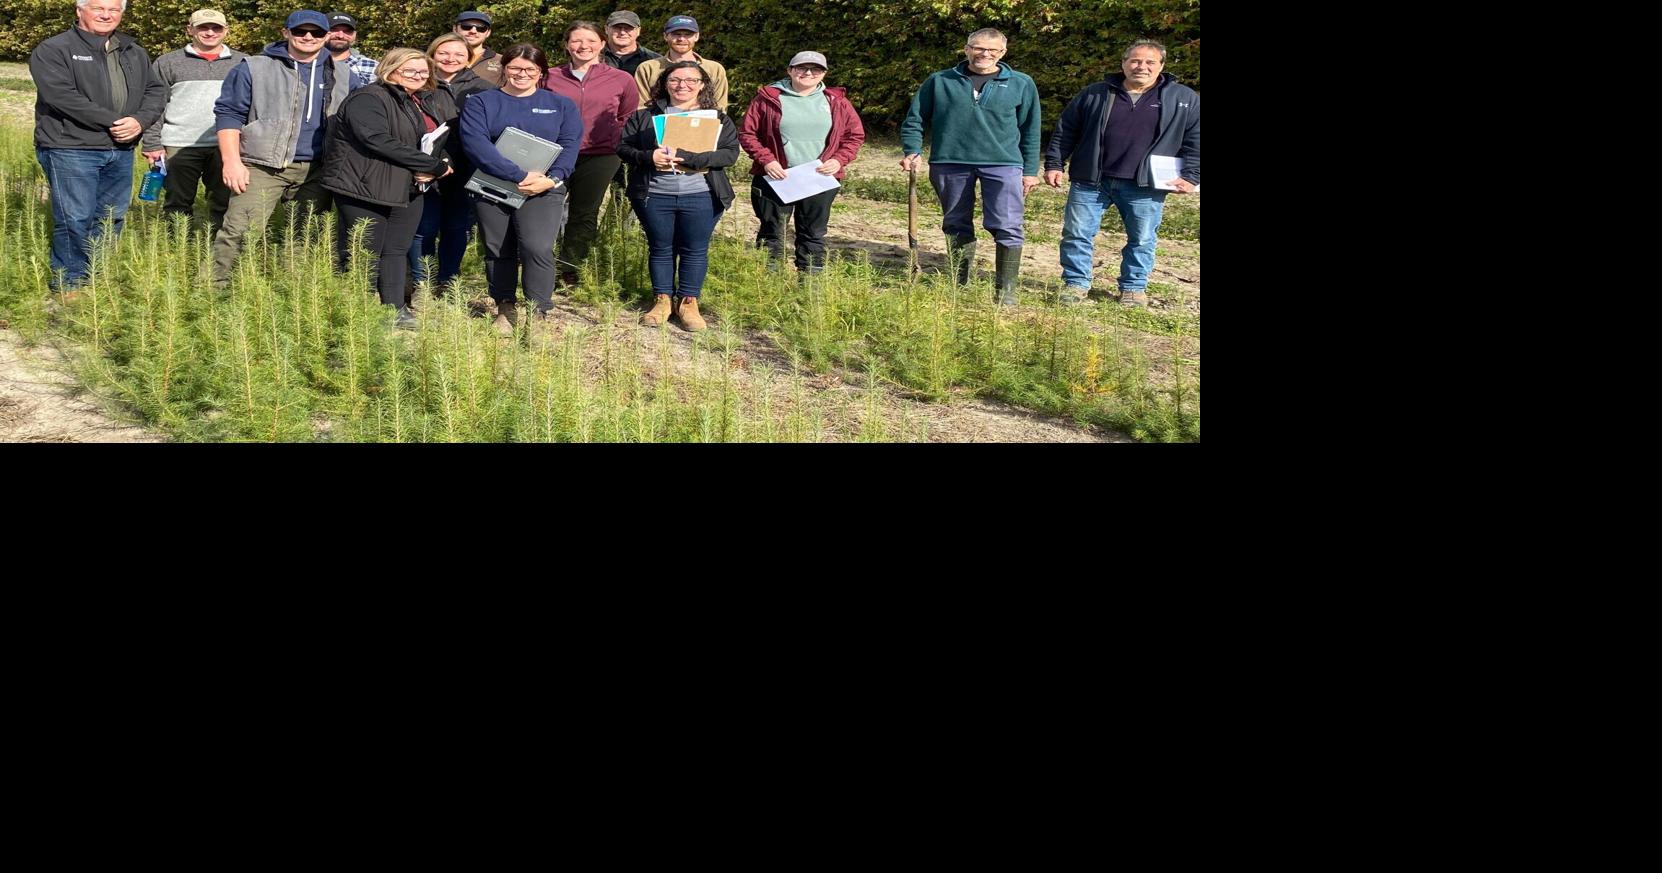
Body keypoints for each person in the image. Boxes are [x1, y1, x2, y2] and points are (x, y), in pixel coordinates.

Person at [1044, 39, 1199, 307]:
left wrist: (1191, 175)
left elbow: (1195, 139)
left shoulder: (1182, 98)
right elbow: (1066, 129)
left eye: (1150, 62)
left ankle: (1133, 288)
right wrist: (1055, 163)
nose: (1142, 67)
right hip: (1091, 180)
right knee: (1077, 234)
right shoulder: (1096, 93)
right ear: (1124, 63)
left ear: (1161, 66)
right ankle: (1075, 284)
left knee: (1142, 239)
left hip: (1145, 185)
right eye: (1135, 60)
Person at [210, 9, 355, 289]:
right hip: (262, 165)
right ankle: (214, 291)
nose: (308, 37)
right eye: (300, 31)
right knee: (240, 231)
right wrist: (232, 162)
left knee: (304, 236)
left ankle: (292, 293)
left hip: (317, 169)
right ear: (286, 33)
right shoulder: (254, 67)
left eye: (316, 32)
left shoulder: (344, 74)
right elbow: (229, 114)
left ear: (326, 36)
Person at [30, 0, 166, 291]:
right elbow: (61, 96)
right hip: (71, 147)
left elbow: (155, 91)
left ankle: (98, 279)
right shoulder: (54, 49)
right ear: (80, 10)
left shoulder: (133, 50)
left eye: (114, 10)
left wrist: (139, 121)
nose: (106, 15)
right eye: (98, 8)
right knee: (75, 218)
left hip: (121, 149)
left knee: (111, 217)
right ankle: (70, 284)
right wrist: (116, 122)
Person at [899, 27, 1040, 306]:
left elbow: (1030, 129)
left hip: (1003, 163)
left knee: (1008, 225)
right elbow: (915, 119)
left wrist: (1030, 171)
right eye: (978, 48)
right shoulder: (940, 80)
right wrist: (912, 150)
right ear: (966, 49)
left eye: (992, 50)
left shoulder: (1022, 83)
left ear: (1003, 53)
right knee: (955, 222)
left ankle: (1006, 292)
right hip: (949, 162)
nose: (985, 54)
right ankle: (958, 283)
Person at [321, 47, 454, 329]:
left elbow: (428, 139)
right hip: (365, 186)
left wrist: (440, 161)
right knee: (365, 252)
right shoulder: (368, 98)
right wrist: (431, 166)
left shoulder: (415, 101)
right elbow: (377, 140)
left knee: (396, 250)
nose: (418, 76)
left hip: (406, 187)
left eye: (423, 71)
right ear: (390, 70)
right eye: (410, 70)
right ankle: (357, 313)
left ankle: (395, 309)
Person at [461, 44, 581, 334]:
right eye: (515, 67)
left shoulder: (561, 105)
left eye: (530, 69)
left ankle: (537, 311)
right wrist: (519, 174)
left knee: (537, 247)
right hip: (494, 185)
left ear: (541, 72)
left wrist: (552, 179)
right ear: (504, 69)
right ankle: (505, 306)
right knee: (498, 248)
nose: (522, 74)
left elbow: (570, 145)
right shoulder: (482, 102)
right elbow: (476, 144)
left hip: (543, 188)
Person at [617, 61, 740, 332]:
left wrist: (689, 158)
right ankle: (662, 300)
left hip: (701, 195)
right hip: (654, 195)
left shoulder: (717, 119)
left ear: (702, 85)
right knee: (660, 247)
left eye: (691, 80)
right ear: (665, 83)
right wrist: (648, 157)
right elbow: (623, 148)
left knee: (694, 249)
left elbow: (729, 154)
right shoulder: (644, 117)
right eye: (674, 80)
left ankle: (688, 303)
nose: (682, 85)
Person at [738, 50, 864, 274]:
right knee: (772, 232)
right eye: (801, 68)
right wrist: (767, 160)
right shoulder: (768, 98)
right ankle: (768, 283)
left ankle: (810, 283)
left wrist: (838, 160)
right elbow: (748, 133)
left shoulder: (837, 101)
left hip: (818, 179)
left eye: (816, 69)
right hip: (776, 178)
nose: (808, 73)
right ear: (790, 70)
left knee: (813, 233)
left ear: (824, 73)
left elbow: (854, 136)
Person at [542, 20, 638, 288]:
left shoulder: (621, 79)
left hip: (600, 156)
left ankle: (570, 269)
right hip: (555, 154)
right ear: (566, 45)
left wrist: (614, 140)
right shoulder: (549, 77)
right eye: (576, 40)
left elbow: (627, 116)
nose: (583, 46)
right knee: (546, 210)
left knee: (584, 214)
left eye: (591, 41)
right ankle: (542, 266)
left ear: (602, 44)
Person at [140, 8, 244, 237]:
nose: (210, 32)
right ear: (190, 30)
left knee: (224, 201)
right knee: (177, 202)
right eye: (203, 27)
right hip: (179, 144)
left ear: (226, 31)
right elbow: (154, 105)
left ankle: (217, 247)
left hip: (226, 145)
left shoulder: (243, 62)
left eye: (216, 28)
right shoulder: (168, 62)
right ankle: (178, 248)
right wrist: (152, 143)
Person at [407, 32, 492, 292]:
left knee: (457, 227)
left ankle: (448, 280)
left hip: (465, 169)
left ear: (469, 57)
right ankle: (422, 282)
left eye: (458, 54)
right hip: (426, 169)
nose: (450, 59)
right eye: (443, 53)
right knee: (425, 227)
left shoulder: (483, 88)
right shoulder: (418, 85)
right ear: (432, 54)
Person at [632, 16, 727, 112]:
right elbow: (641, 107)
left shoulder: (714, 69)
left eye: (688, 34)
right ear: (665, 36)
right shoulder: (648, 68)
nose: (681, 38)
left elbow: (719, 107)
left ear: (696, 36)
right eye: (676, 34)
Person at [599, 10, 661, 76]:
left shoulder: (654, 61)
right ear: (606, 29)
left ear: (638, 31)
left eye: (628, 28)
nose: (622, 32)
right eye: (617, 27)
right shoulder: (594, 57)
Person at [324, 12, 376, 88]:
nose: (340, 36)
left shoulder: (372, 67)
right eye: (333, 30)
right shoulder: (309, 63)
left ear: (354, 35)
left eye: (347, 31)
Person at [453, 11, 501, 87]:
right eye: (466, 26)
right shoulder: (439, 58)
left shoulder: (502, 61)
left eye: (481, 28)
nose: (473, 31)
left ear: (488, 33)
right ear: (455, 29)